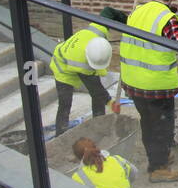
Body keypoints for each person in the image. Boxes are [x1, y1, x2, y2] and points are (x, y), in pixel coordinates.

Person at [120, 0, 178, 183]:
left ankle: (159, 157)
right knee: (162, 126)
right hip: (156, 83)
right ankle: (158, 168)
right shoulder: (167, 18)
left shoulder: (137, 12)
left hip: (132, 80)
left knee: (148, 122)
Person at [50, 8, 126, 136]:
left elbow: (108, 12)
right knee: (65, 102)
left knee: (97, 96)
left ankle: (98, 122)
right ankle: (61, 132)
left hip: (75, 58)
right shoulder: (83, 65)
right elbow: (96, 90)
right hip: (61, 67)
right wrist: (111, 103)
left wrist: (127, 22)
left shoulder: (98, 31)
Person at [71, 137, 139, 188]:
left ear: (78, 157)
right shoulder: (116, 159)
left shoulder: (78, 177)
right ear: (96, 148)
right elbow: (134, 172)